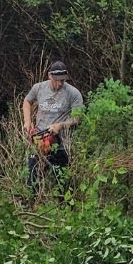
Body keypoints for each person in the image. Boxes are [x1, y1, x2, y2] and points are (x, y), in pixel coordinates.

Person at [22, 60, 83, 193]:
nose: (60, 83)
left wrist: (61, 125)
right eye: (57, 80)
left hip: (61, 144)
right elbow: (27, 101)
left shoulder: (73, 93)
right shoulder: (38, 88)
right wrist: (27, 121)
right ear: (49, 75)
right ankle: (31, 206)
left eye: (63, 80)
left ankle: (64, 210)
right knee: (32, 180)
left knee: (62, 185)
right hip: (40, 141)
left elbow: (78, 118)